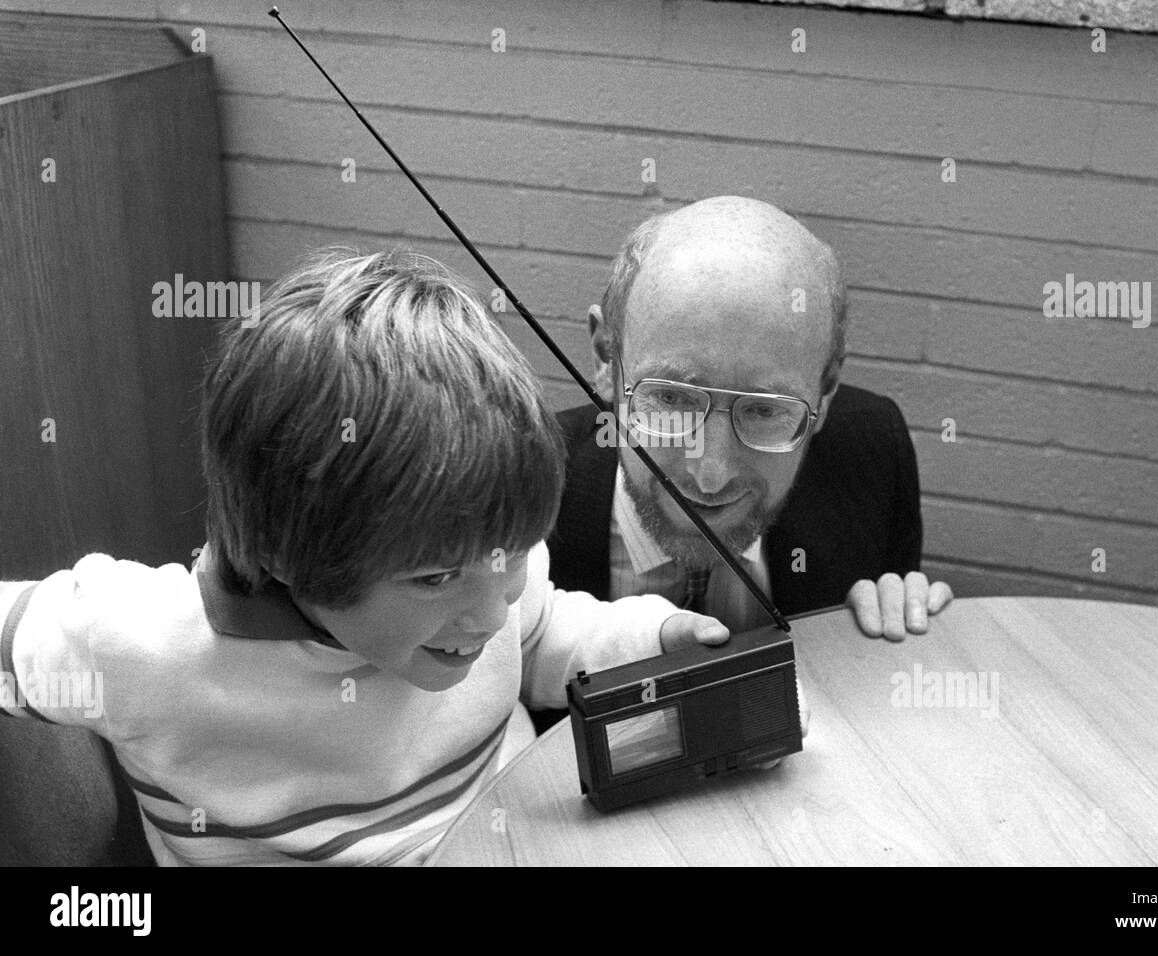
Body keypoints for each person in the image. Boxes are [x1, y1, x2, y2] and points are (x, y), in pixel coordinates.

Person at [0, 249, 729, 866]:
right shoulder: (135, 643)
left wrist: (647, 640)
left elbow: (542, 636)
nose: (490, 611)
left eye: (504, 556)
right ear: (289, 551)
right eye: (434, 578)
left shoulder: (494, 584)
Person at [548, 196, 954, 642]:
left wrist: (892, 623)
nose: (710, 476)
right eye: (671, 397)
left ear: (826, 388)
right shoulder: (523, 486)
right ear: (606, 357)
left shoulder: (872, 453)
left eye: (765, 410)